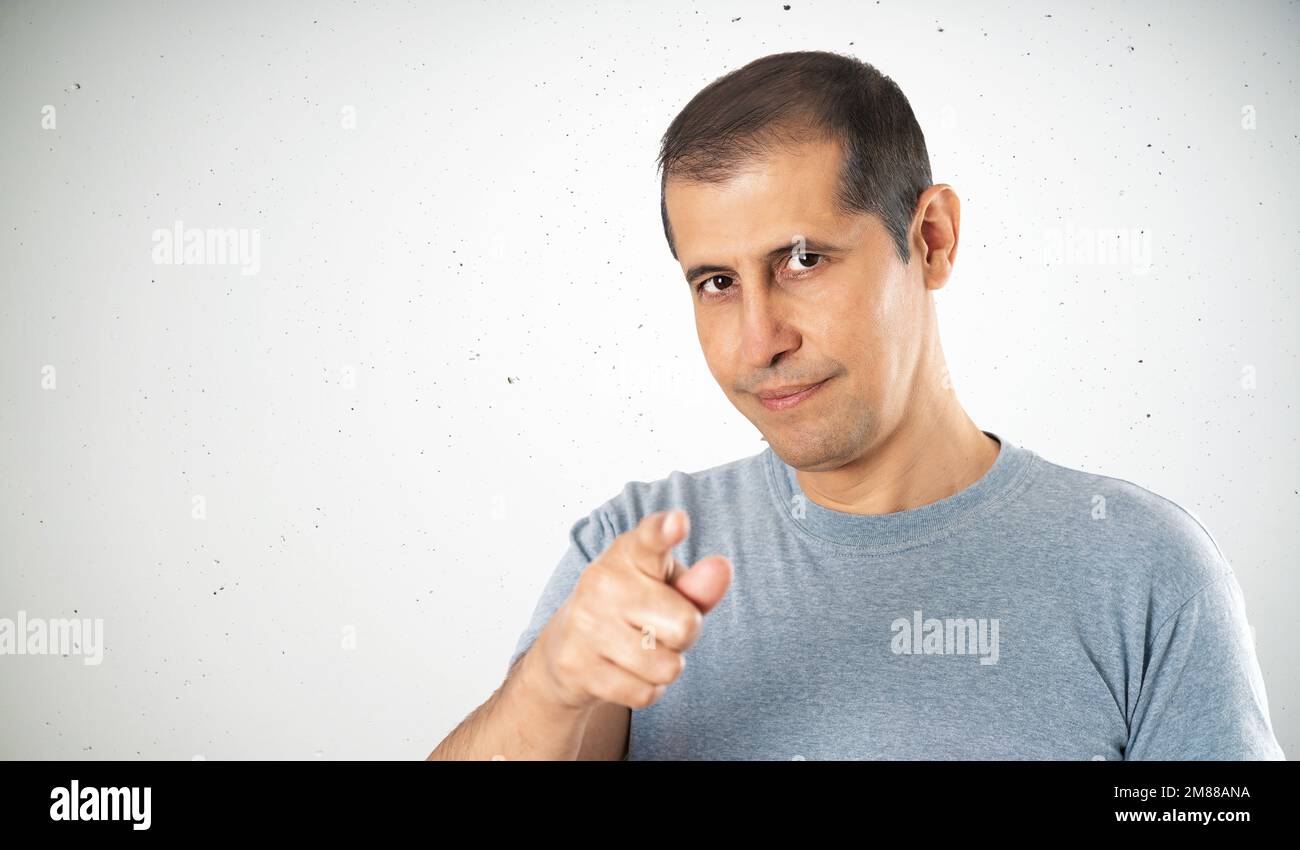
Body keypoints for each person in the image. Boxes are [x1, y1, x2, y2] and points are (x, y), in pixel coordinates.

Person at [428, 51, 1286, 760]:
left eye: (802, 261)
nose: (758, 340)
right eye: (717, 283)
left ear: (932, 238)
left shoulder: (1143, 571)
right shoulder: (633, 560)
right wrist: (552, 688)